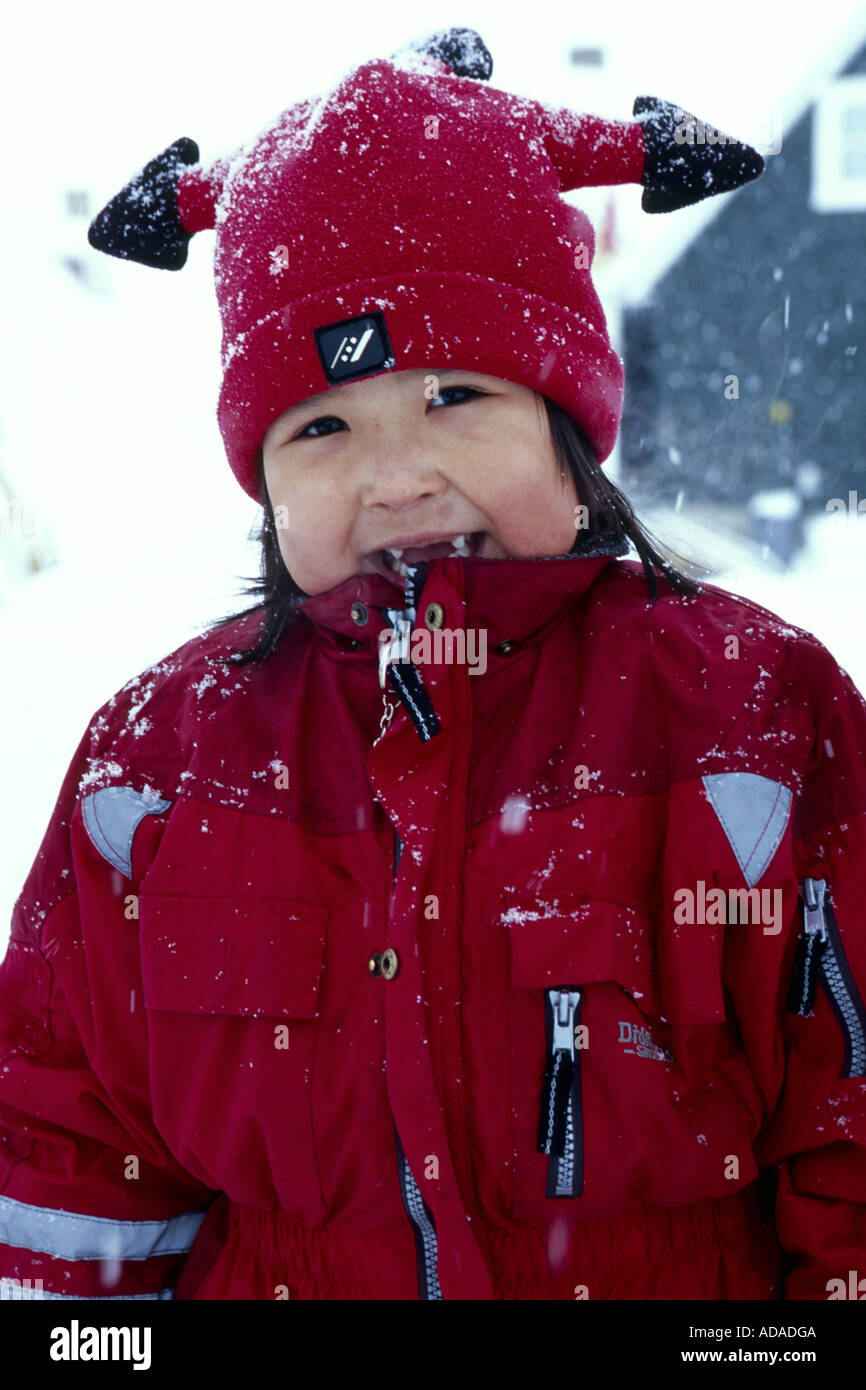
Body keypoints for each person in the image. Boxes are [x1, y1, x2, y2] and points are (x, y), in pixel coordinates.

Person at [1, 27, 864, 1303]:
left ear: (567, 424)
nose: (396, 474)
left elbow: (843, 1121)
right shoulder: (158, 765)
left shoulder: (748, 717)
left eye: (457, 394)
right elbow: (67, 1158)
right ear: (261, 474)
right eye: (323, 425)